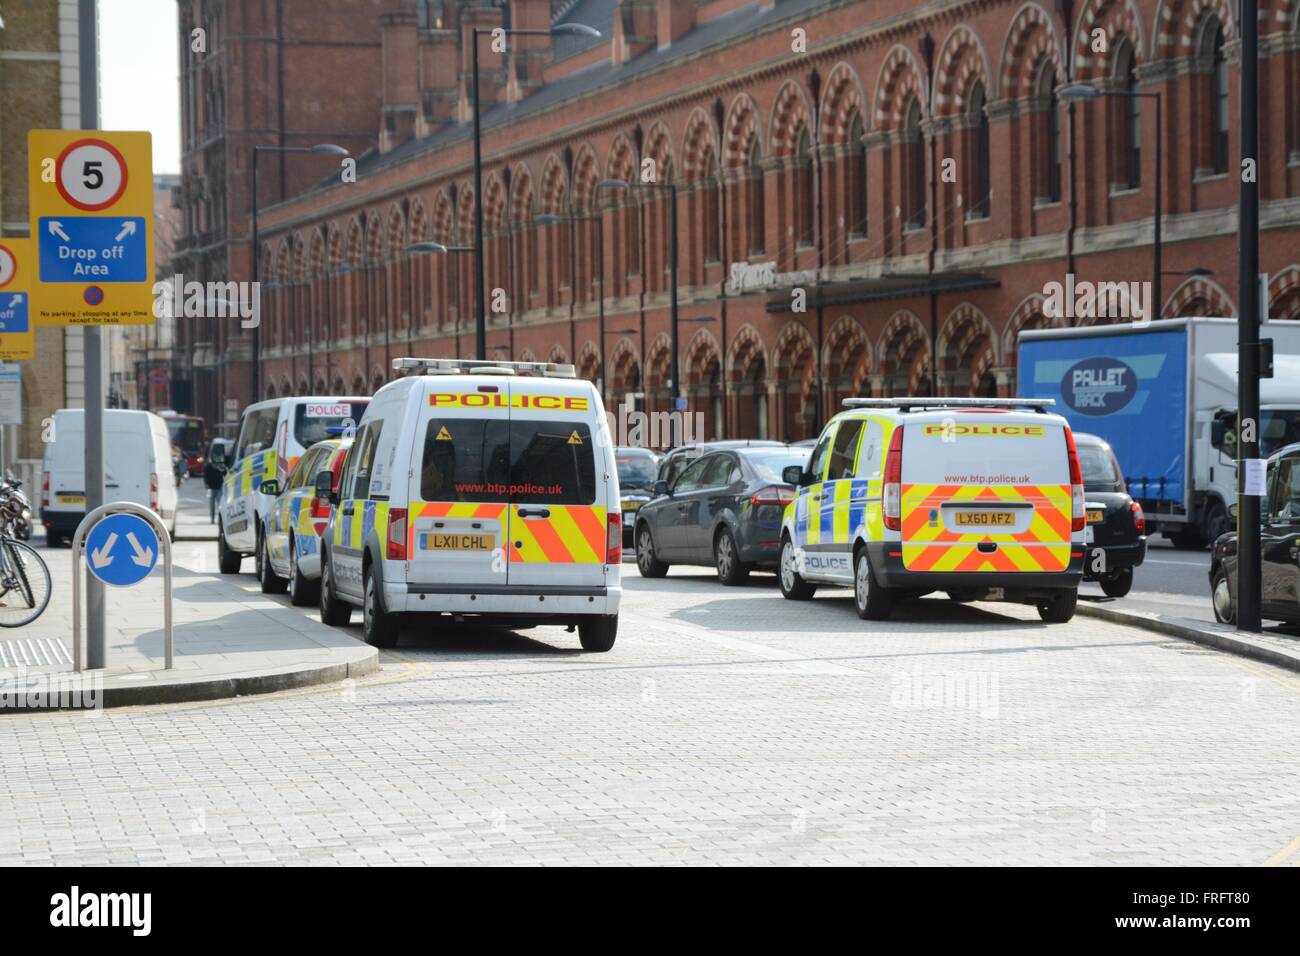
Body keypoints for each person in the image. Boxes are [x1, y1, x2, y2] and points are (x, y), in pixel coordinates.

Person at [203, 448, 226, 524]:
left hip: (218, 487)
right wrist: (206, 484)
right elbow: (205, 476)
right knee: (213, 505)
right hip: (212, 488)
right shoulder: (209, 466)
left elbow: (225, 474)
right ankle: (213, 519)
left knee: (219, 505)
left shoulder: (221, 466)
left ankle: (220, 519)